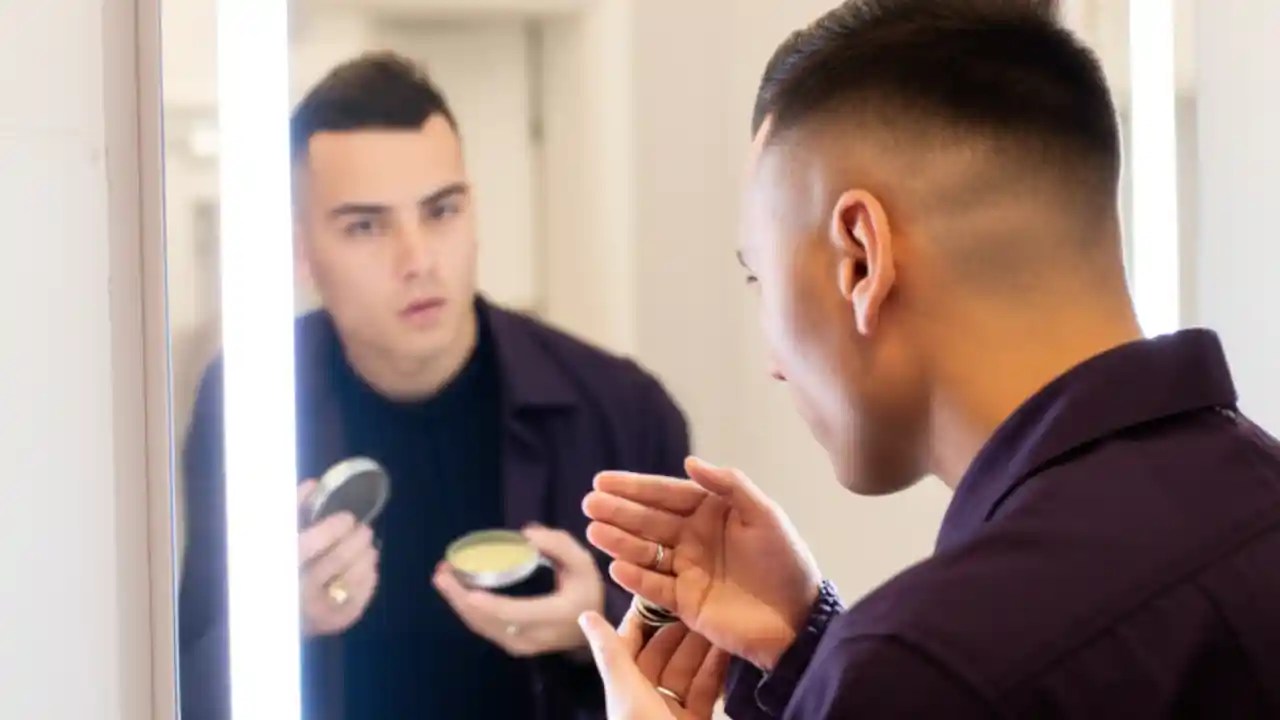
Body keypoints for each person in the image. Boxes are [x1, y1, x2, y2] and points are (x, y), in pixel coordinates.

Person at [576, 0, 1280, 717]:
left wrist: (858, 675)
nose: (774, 364)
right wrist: (811, 654)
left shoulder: (928, 669)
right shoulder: (1254, 506)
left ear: (860, 257)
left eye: (762, 276)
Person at [177, 52, 691, 720]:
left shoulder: (619, 408)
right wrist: (277, 624)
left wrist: (595, 622)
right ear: (299, 251)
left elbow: (701, 672)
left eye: (441, 211)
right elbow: (182, 676)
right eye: (366, 225)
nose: (418, 261)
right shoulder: (246, 400)